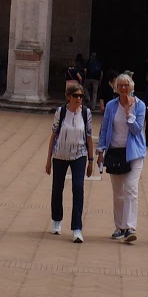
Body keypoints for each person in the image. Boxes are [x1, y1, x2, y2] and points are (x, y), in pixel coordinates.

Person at [98, 73, 147, 243]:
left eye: (126, 85)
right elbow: (105, 128)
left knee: (131, 188)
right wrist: (100, 150)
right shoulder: (111, 106)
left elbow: (137, 129)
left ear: (131, 87)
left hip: (134, 153)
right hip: (115, 151)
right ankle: (119, 226)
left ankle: (130, 227)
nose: (124, 88)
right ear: (116, 88)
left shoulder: (139, 105)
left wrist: (128, 114)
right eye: (120, 85)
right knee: (118, 191)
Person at [45, 80, 94, 241]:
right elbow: (53, 135)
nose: (79, 98)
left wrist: (91, 160)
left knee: (78, 187)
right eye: (75, 96)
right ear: (68, 97)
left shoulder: (86, 113)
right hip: (60, 154)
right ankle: (57, 219)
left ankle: (77, 228)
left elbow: (89, 137)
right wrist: (48, 159)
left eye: (81, 96)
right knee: (57, 188)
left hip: (79, 154)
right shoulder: (61, 112)